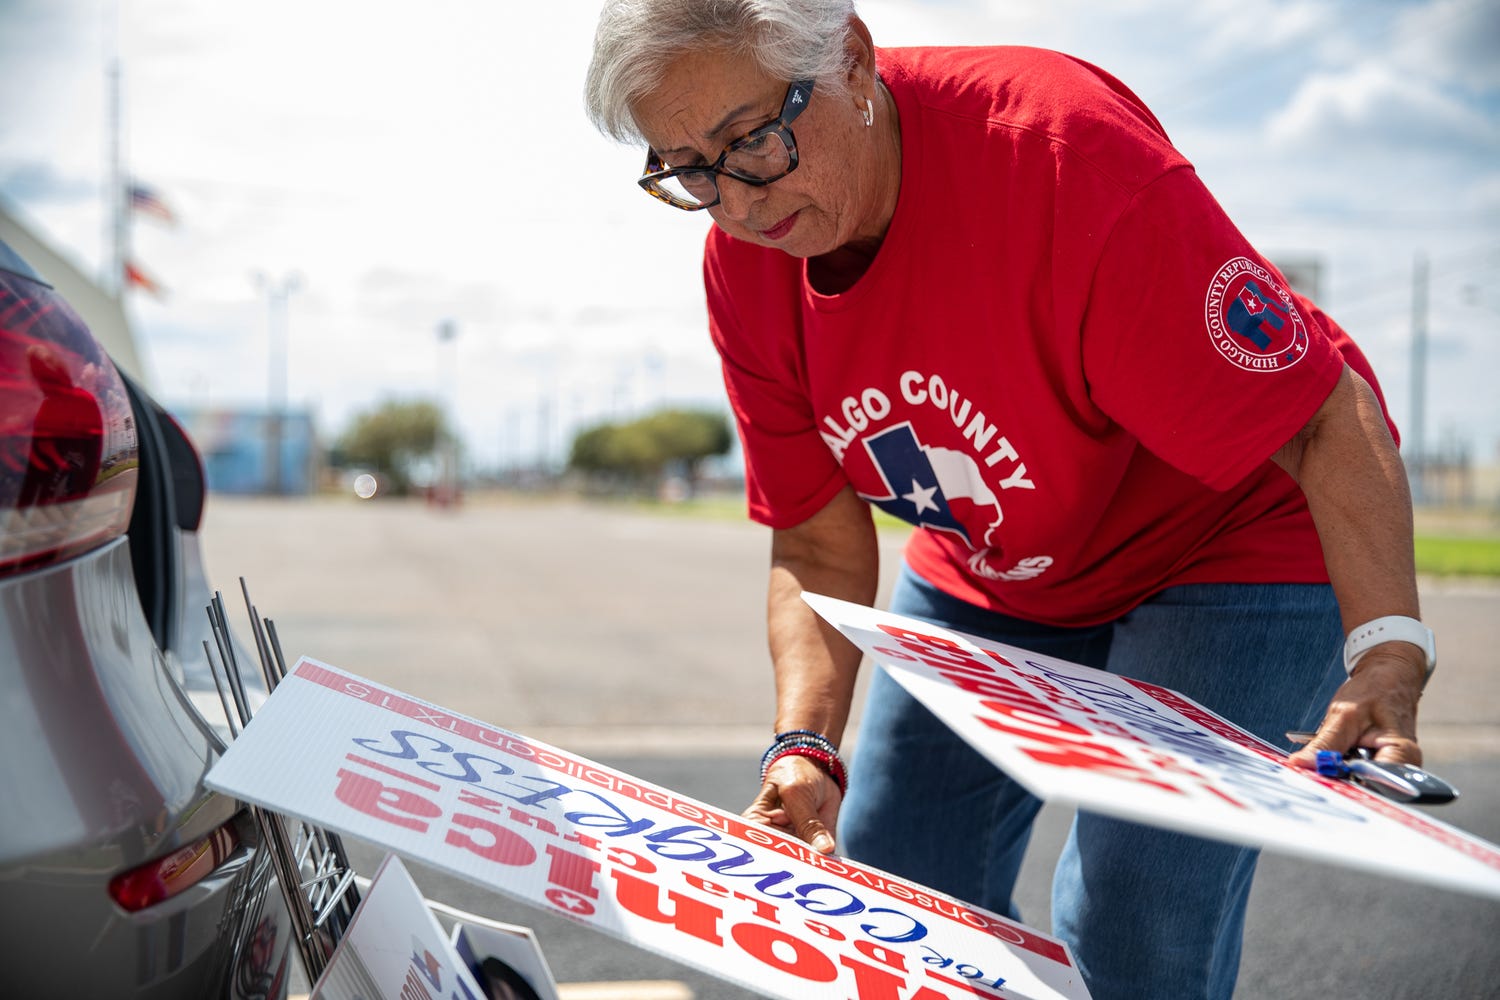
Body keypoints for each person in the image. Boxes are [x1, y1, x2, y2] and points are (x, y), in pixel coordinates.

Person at [584, 3, 1435, 997]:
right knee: (900, 883)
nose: (732, 201)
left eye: (749, 142)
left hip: (1226, 537)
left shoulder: (1064, 157)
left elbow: (1320, 416)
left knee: (1132, 909)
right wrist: (804, 745)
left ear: (851, 61)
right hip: (1005, 559)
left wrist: (1387, 646)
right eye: (687, 168)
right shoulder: (753, 255)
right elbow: (815, 538)